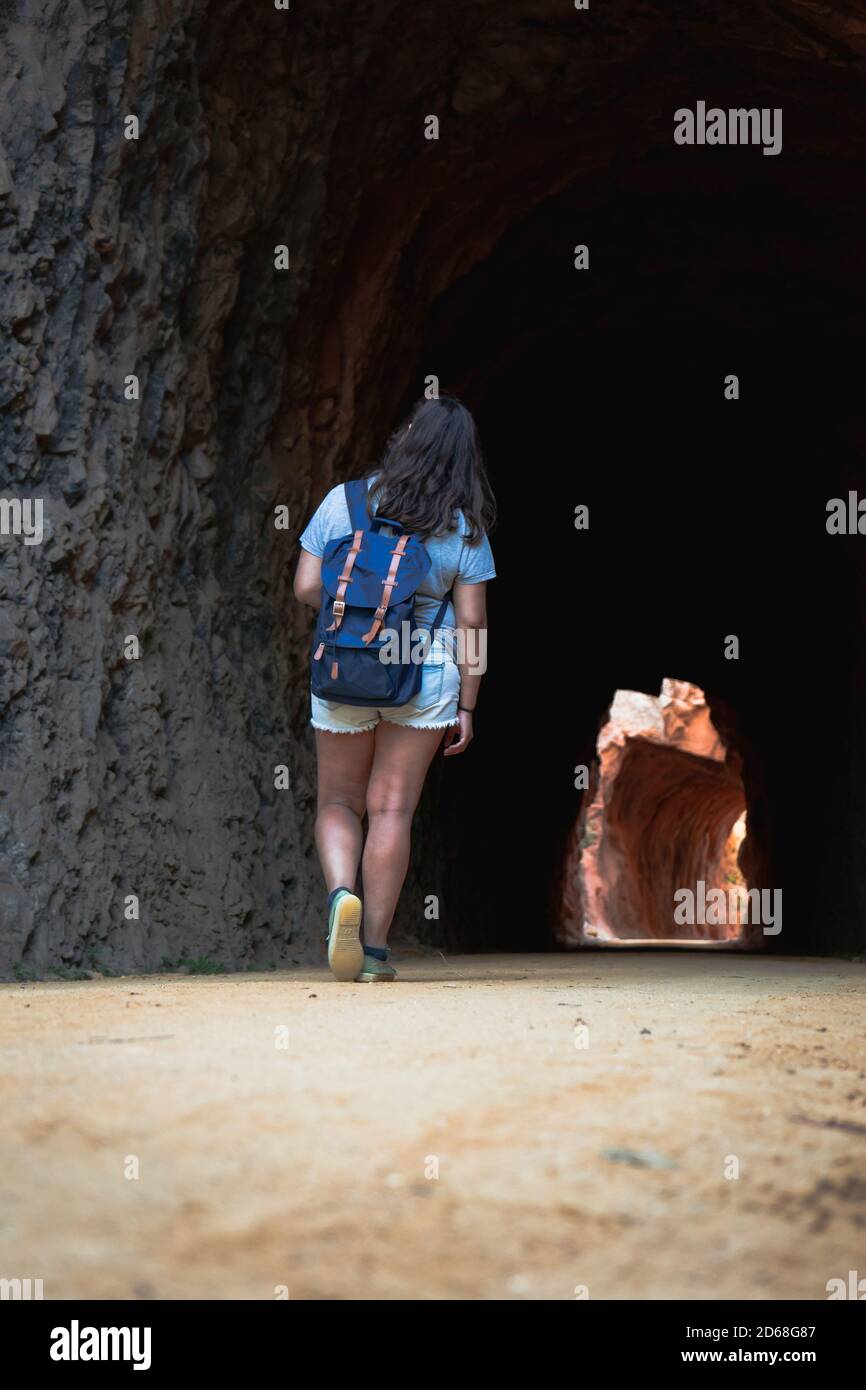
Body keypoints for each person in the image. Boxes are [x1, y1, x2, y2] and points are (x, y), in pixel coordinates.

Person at [293, 395, 496, 982]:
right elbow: (473, 625)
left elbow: (306, 585)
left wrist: (356, 610)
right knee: (391, 808)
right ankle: (375, 949)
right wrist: (468, 703)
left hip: (345, 665)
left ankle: (339, 896)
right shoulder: (465, 529)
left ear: (405, 436)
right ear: (464, 459)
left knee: (337, 801)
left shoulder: (345, 502)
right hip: (425, 670)